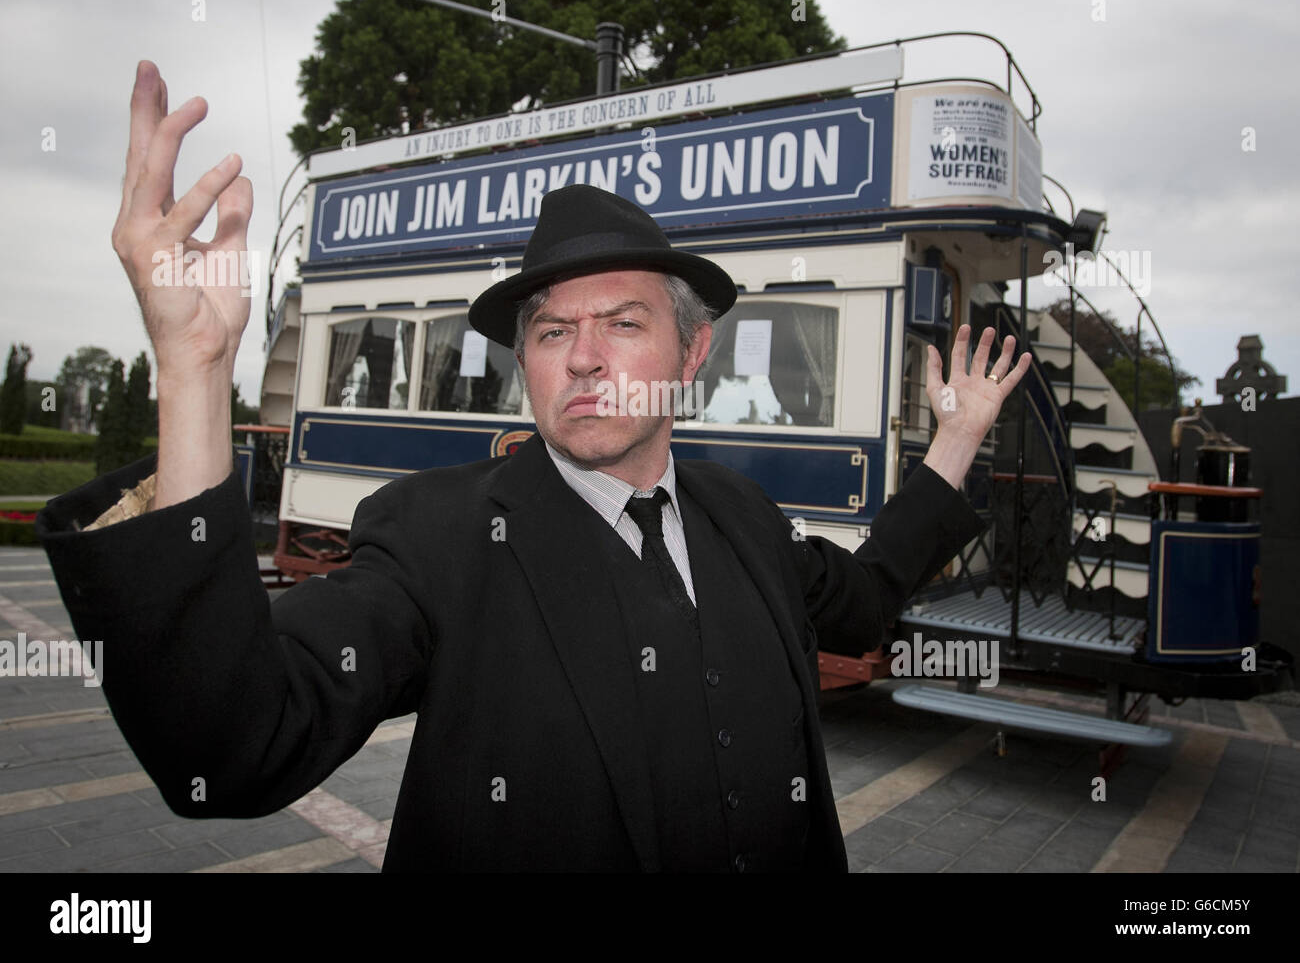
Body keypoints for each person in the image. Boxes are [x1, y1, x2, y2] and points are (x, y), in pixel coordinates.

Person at [37, 61, 1030, 872]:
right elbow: (232, 750)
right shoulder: (437, 538)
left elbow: (864, 597)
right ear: (529, 366)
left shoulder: (744, 517)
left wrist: (951, 441)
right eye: (552, 330)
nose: (583, 356)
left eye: (623, 323)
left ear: (692, 355)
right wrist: (194, 367)